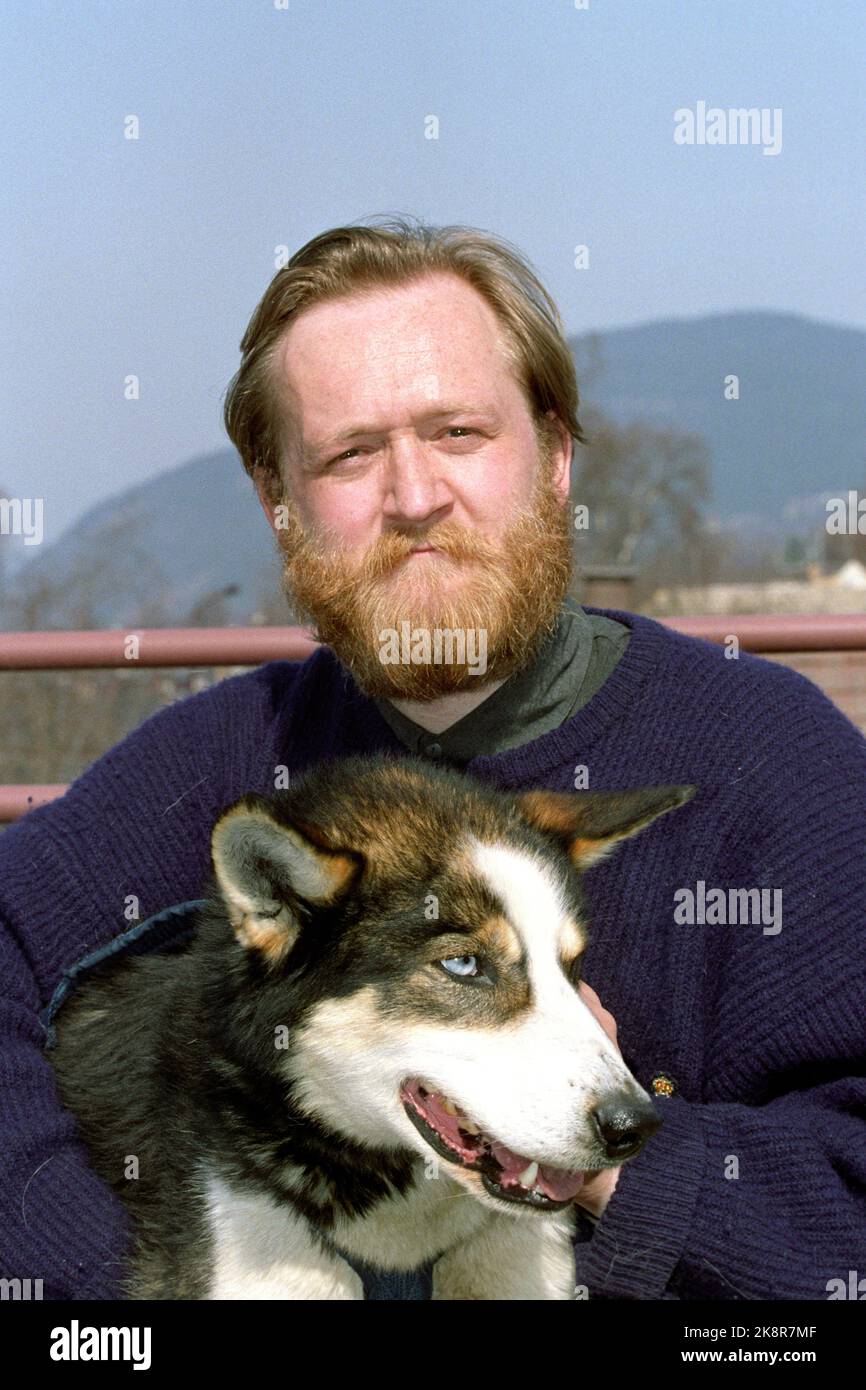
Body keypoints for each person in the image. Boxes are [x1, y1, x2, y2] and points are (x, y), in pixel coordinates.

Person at [1, 217, 864, 1301]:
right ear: (279, 504)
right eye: (350, 453)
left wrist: (589, 1150)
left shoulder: (771, 764)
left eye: (457, 431)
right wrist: (113, 1275)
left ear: (553, 456)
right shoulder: (219, 760)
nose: (413, 497)